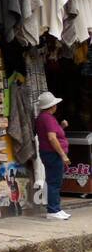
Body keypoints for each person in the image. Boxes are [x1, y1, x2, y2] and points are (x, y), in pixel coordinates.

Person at [35, 91, 71, 221]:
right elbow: (51, 138)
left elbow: (51, 133)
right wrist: (63, 155)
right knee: (54, 182)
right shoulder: (48, 118)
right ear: (52, 106)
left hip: (48, 152)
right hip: (52, 153)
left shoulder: (43, 117)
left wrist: (61, 126)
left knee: (53, 181)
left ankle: (56, 209)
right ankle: (53, 210)